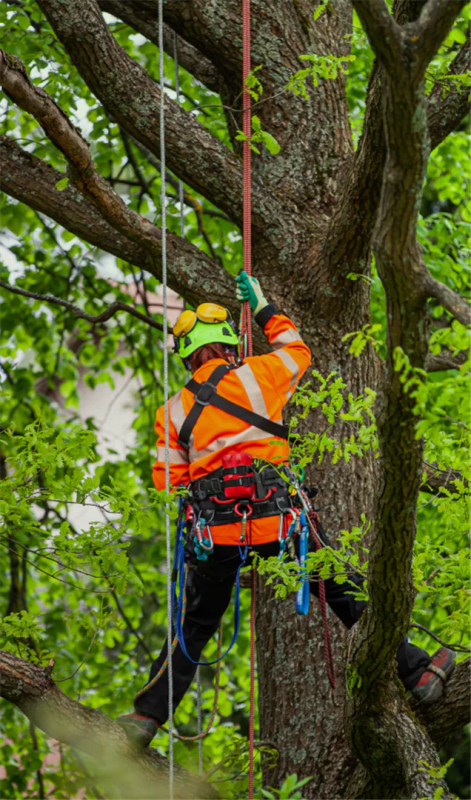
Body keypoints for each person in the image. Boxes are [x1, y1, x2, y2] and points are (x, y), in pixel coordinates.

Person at [117, 271, 455, 747]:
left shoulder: (172, 409)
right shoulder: (260, 374)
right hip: (280, 523)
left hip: (218, 536)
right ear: (230, 345)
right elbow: (298, 349)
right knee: (345, 591)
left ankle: (145, 719)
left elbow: (168, 480)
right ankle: (418, 674)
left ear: (186, 354)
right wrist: (262, 307)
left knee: (193, 626)